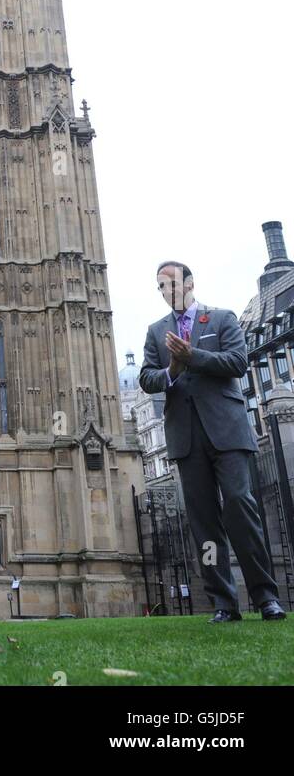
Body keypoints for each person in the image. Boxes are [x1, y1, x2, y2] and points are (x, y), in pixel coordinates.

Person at [139, 261, 285, 622]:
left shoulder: (221, 318)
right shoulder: (156, 332)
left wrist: (194, 357)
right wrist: (171, 371)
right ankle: (223, 602)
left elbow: (237, 362)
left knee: (240, 507)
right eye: (160, 286)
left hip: (227, 431)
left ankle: (265, 596)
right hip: (186, 438)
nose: (165, 291)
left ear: (189, 283)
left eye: (170, 283)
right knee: (204, 524)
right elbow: (146, 378)